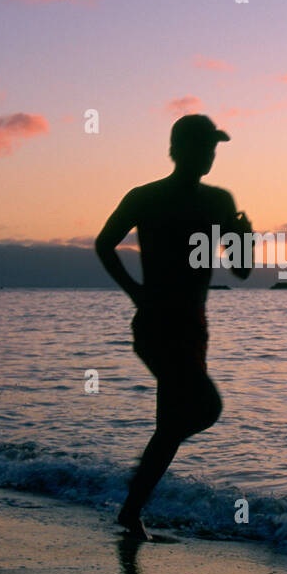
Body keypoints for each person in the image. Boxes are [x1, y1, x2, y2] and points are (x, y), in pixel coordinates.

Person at [95, 114, 252, 540]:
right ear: (176, 149)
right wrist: (136, 292)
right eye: (202, 146)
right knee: (204, 408)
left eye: (213, 147)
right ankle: (134, 498)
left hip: (194, 326)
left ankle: (132, 507)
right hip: (157, 322)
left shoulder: (219, 201)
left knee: (175, 418)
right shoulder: (145, 197)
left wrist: (244, 238)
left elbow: (241, 271)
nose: (209, 154)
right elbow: (103, 243)